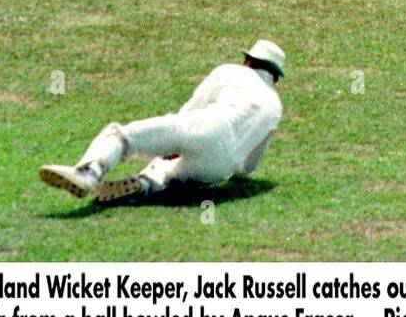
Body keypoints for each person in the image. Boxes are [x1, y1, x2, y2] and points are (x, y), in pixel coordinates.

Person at [40, 40, 285, 203]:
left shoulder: (232, 71)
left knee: (124, 136)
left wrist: (172, 144)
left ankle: (89, 173)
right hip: (221, 168)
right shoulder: (275, 106)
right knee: (167, 174)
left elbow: (192, 108)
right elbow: (249, 166)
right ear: (274, 75)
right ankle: (147, 185)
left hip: (206, 127)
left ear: (250, 61)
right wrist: (232, 170)